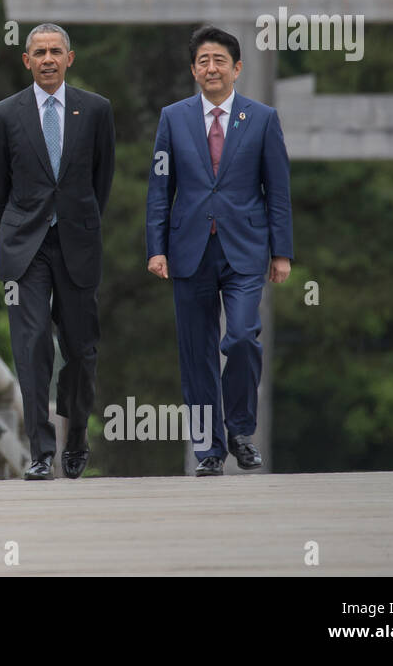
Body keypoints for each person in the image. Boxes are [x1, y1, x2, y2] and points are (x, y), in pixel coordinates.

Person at [145, 25, 294, 476]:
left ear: (237, 68)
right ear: (194, 70)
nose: (212, 68)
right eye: (203, 61)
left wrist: (281, 251)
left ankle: (240, 431)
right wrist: (157, 247)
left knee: (244, 337)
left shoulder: (262, 118)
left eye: (220, 60)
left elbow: (278, 190)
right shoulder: (173, 118)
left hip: (246, 249)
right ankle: (208, 450)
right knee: (197, 352)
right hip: (189, 247)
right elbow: (159, 189)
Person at [0, 24, 115, 480]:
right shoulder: (4, 114)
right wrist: (21, 227)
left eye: (56, 51)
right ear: (26, 61)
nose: (47, 59)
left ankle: (75, 435)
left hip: (77, 242)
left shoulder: (96, 110)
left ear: (70, 58)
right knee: (32, 343)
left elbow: (102, 181)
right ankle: (40, 450)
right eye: (38, 52)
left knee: (80, 350)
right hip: (25, 248)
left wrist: (77, 220)